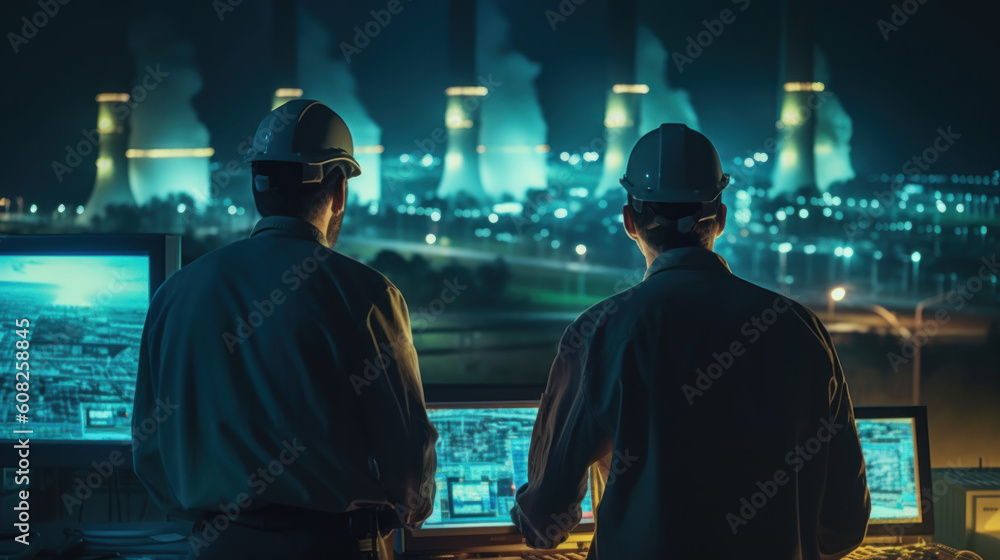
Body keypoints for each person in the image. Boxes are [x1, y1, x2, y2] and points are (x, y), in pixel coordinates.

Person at [510, 124, 871, 559]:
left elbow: (543, 521)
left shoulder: (599, 333)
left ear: (629, 221)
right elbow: (844, 526)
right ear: (720, 217)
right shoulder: (799, 329)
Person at [132, 99, 438, 560]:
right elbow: (406, 446)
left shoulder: (175, 294)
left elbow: (149, 449)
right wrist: (403, 511)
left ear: (259, 188)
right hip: (334, 545)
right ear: (338, 191)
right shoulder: (367, 294)